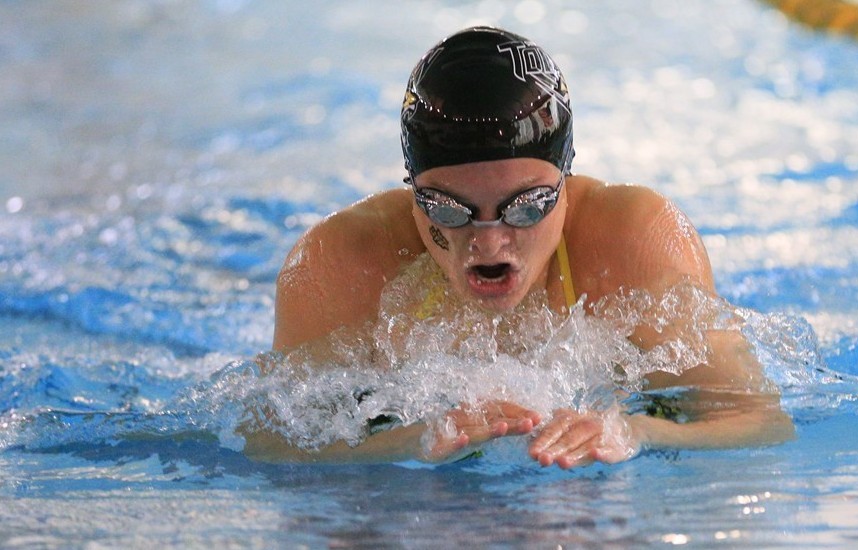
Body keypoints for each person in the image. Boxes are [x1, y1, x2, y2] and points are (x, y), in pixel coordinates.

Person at [243, 26, 793, 468]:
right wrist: (405, 444)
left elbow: (759, 421)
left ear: (565, 181)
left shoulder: (637, 241)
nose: (488, 242)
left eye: (525, 206)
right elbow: (266, 446)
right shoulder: (339, 264)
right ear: (413, 192)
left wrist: (638, 431)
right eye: (448, 210)